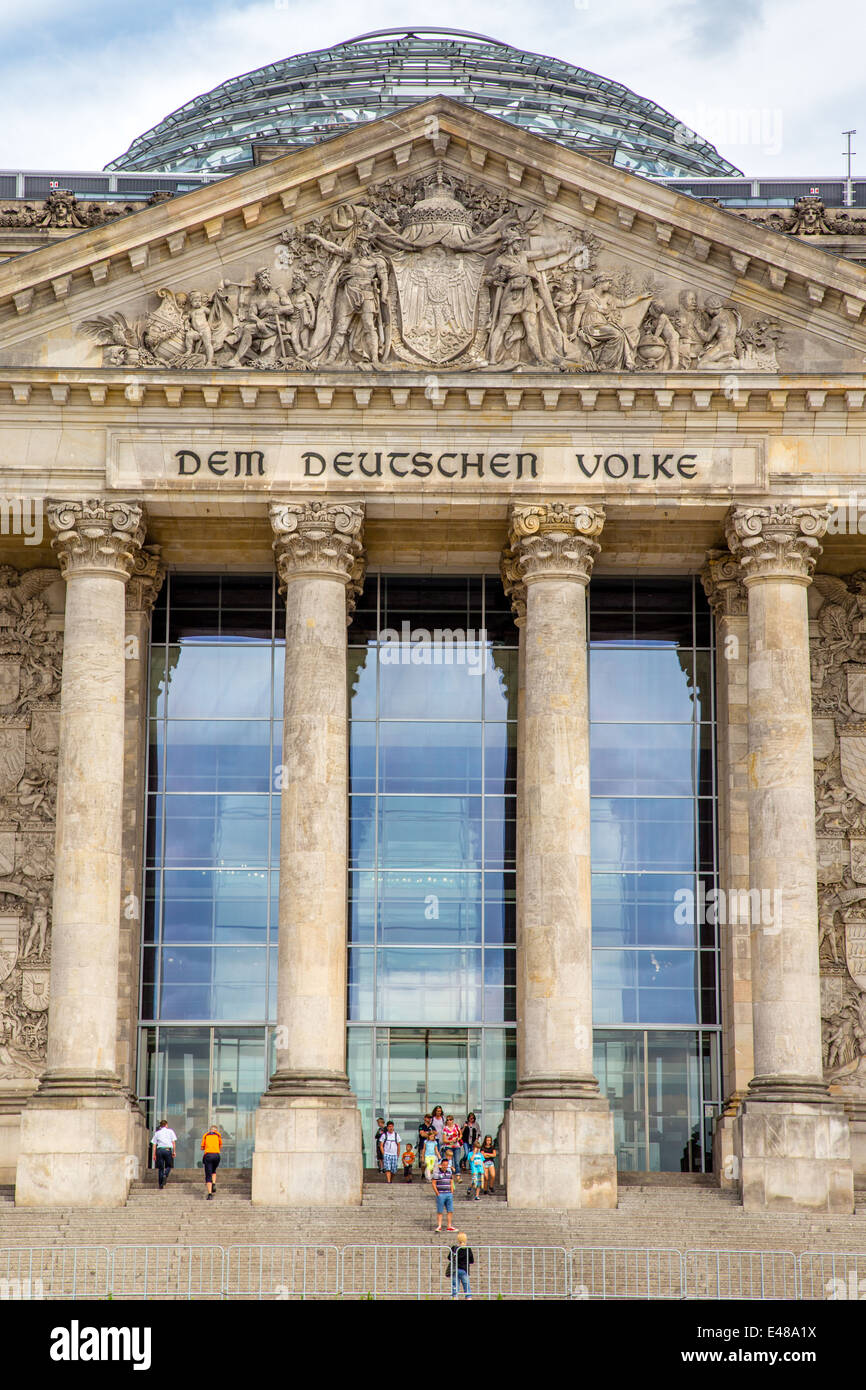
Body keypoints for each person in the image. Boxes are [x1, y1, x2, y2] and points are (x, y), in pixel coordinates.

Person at [151, 1118, 177, 1190]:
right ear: (166, 1125)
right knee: (169, 1165)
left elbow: (154, 1145)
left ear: (160, 1126)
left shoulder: (157, 1133)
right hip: (167, 1149)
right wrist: (174, 1151)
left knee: (160, 1168)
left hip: (159, 1150)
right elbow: (173, 1143)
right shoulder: (170, 1131)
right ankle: (166, 1174)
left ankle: (160, 1184)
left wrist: (154, 1154)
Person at [447, 1232, 474, 1299]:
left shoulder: (454, 1248)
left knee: (455, 1289)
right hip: (464, 1270)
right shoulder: (468, 1249)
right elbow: (472, 1260)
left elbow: (449, 1257)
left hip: (455, 1269)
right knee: (467, 1289)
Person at [433, 1155, 455, 1233]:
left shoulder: (449, 1173)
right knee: (440, 1211)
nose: (445, 1166)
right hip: (441, 1194)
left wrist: (452, 1191)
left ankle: (449, 1225)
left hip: (448, 1193)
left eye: (446, 1165)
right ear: (441, 1165)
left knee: (450, 1210)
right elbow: (434, 1183)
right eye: (444, 1165)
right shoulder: (437, 1173)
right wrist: (437, 1193)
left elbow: (451, 1182)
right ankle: (439, 1225)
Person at [201, 1125, 222, 1200]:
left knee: (208, 1175)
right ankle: (214, 1183)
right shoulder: (218, 1135)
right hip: (216, 1155)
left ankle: (210, 1194)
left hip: (208, 1155)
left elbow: (202, 1147)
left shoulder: (206, 1135)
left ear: (210, 1130)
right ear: (216, 1130)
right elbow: (220, 1145)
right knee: (214, 1170)